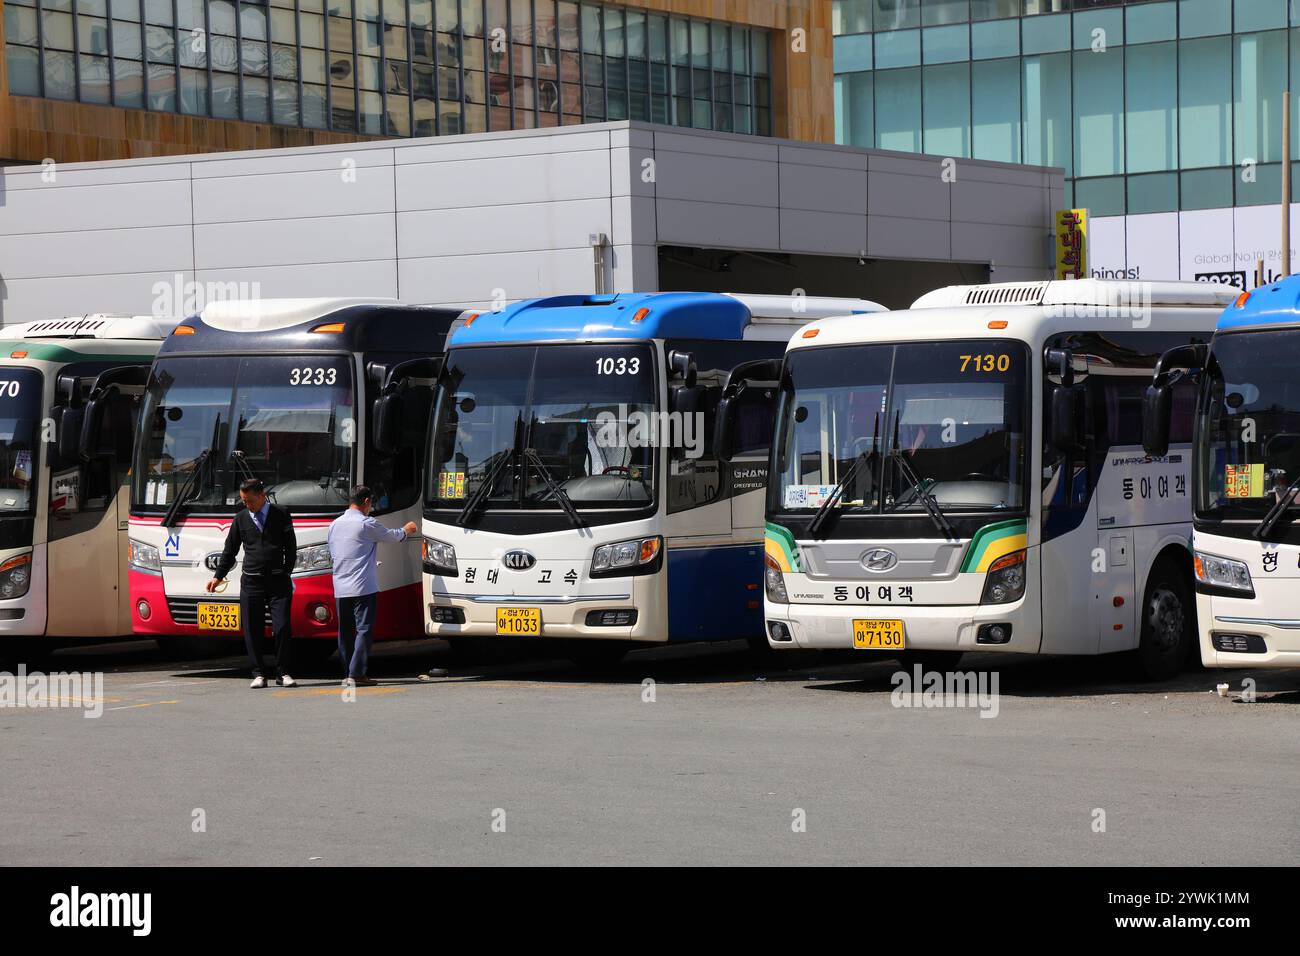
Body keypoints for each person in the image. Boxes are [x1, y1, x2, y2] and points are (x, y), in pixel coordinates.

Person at [207, 478, 297, 689]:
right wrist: (218, 576)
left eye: (249, 501)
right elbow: (230, 550)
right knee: (252, 628)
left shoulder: (281, 514)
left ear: (261, 495)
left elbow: (291, 547)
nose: (247, 505)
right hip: (251, 581)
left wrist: (287, 570)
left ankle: (283, 672)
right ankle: (258, 673)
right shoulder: (240, 519)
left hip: (278, 581)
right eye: (243, 501)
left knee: (282, 626)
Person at [327, 485, 420, 686]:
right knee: (364, 629)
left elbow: (334, 552)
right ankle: (357, 673)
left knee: (345, 631)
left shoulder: (334, 524)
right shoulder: (366, 523)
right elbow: (392, 536)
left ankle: (348, 671)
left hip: (340, 585)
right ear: (367, 502)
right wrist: (407, 529)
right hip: (363, 585)